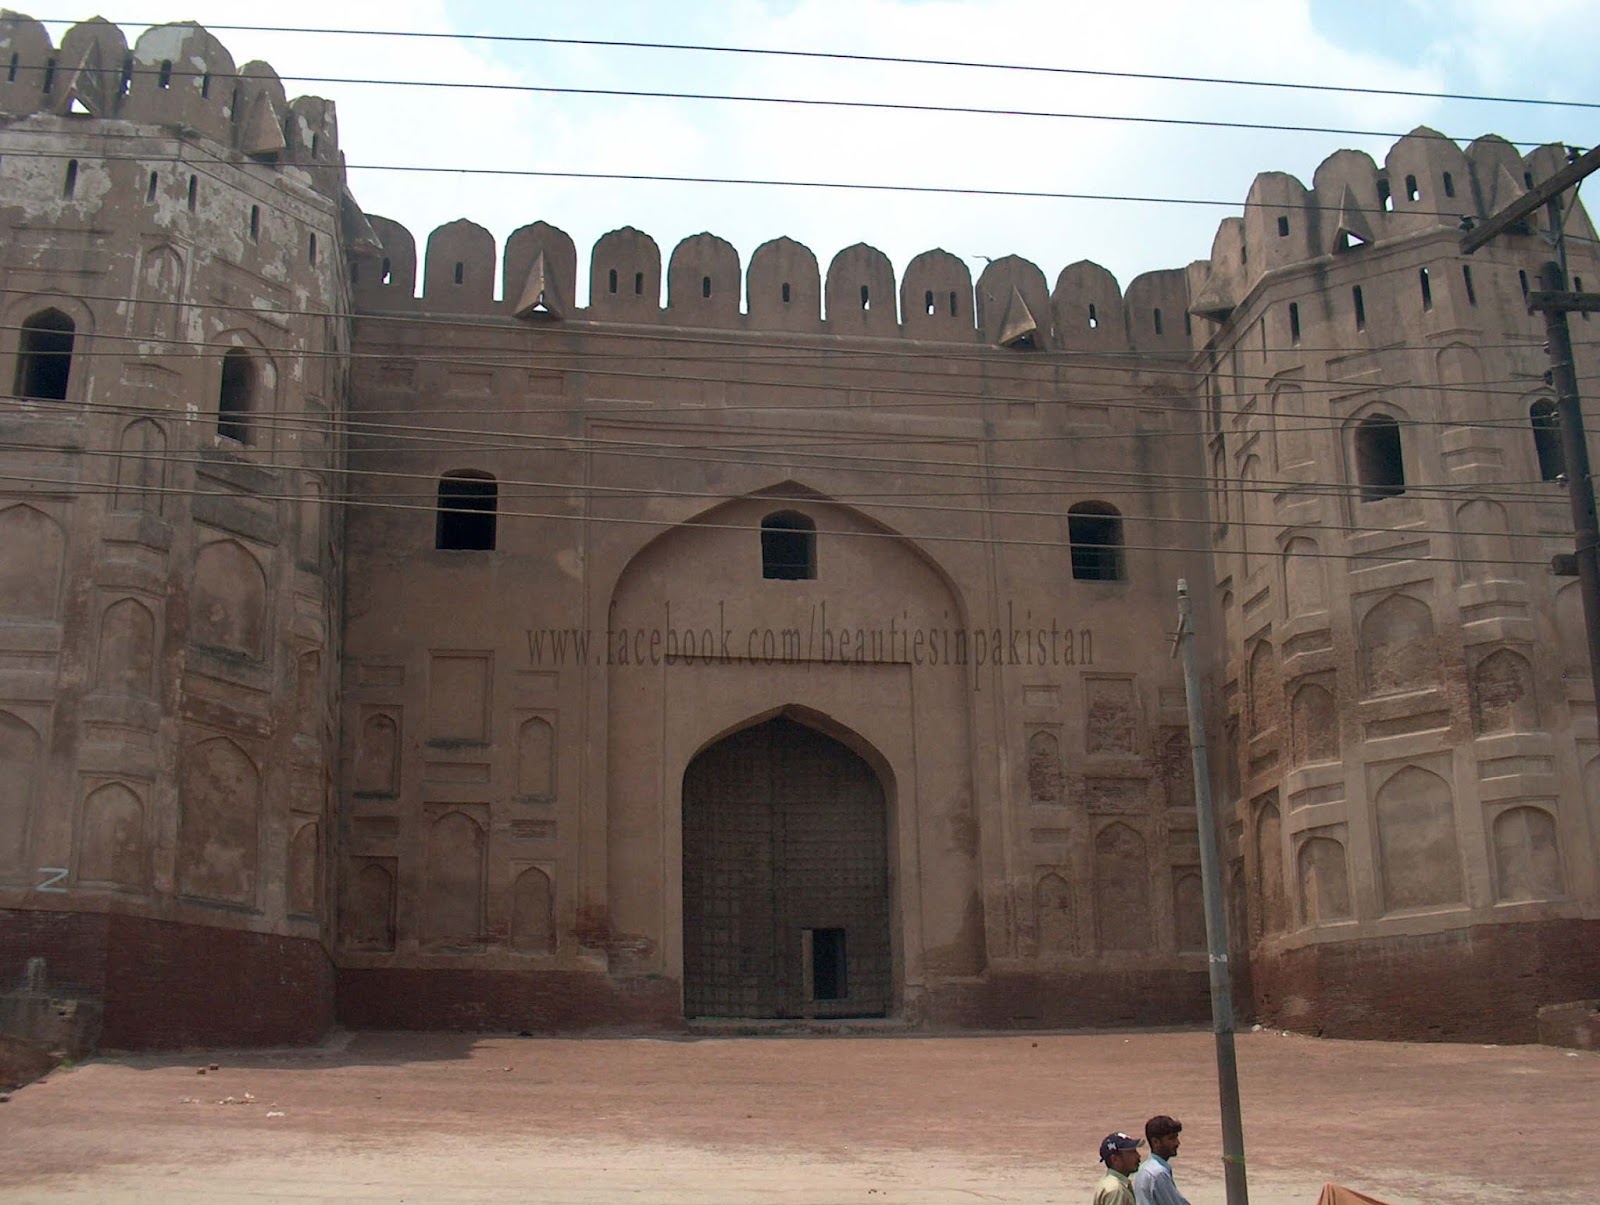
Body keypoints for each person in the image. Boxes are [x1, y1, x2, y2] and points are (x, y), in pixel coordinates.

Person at [1132, 1115, 1190, 1205]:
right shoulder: (1158, 1173)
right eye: (1171, 1138)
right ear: (1155, 1142)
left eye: (1176, 1137)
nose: (1177, 1143)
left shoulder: (1144, 1169)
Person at [1093, 1132, 1143, 1205]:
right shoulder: (1116, 1190)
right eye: (1132, 1152)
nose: (1138, 1156)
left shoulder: (1110, 1183)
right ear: (1114, 1159)